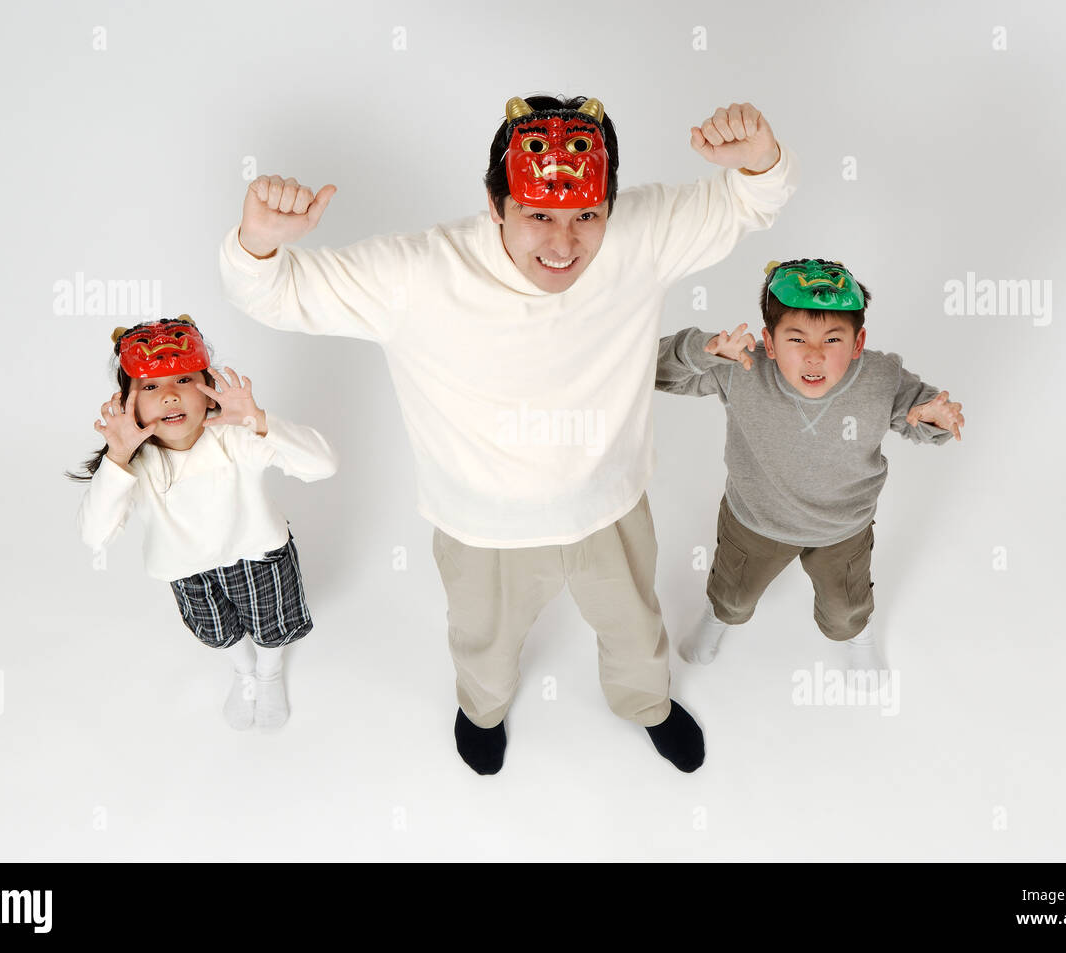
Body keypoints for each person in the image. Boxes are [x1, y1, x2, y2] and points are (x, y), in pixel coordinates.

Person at [219, 94, 799, 774]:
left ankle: (648, 703)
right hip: (481, 527)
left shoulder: (639, 236)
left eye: (586, 215)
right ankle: (482, 708)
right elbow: (273, 292)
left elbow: (751, 201)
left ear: (611, 206)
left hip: (609, 507)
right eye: (537, 216)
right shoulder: (417, 275)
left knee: (637, 629)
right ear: (495, 206)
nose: (563, 243)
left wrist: (760, 159)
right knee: (484, 644)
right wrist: (256, 239)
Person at [655, 258, 965, 673]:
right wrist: (704, 350)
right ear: (769, 340)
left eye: (833, 340)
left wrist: (933, 420)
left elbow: (920, 414)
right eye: (797, 340)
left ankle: (859, 637)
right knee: (733, 593)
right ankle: (718, 618)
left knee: (846, 609)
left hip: (843, 527)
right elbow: (656, 372)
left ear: (858, 344)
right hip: (756, 520)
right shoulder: (742, 366)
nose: (814, 357)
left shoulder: (881, 376)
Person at [67, 315, 338, 729]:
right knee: (218, 632)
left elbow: (323, 465)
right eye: (151, 387)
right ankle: (243, 672)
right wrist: (116, 459)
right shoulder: (136, 466)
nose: (170, 397)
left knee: (272, 627)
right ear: (128, 403)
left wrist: (259, 421)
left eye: (182, 380)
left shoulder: (235, 437)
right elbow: (94, 535)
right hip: (188, 571)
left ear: (208, 388)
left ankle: (268, 673)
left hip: (258, 558)